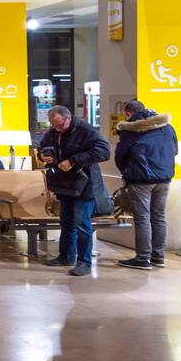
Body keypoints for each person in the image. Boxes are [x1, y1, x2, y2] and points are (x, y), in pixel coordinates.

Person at [39, 105, 112, 276]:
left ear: (68, 118)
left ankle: (84, 262)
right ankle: (66, 256)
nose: (57, 129)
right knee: (66, 223)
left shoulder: (86, 131)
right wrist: (43, 155)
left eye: (59, 125)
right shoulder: (54, 132)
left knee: (82, 224)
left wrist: (73, 161)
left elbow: (104, 151)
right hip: (64, 184)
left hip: (85, 185)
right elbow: (42, 145)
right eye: (53, 126)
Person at [113, 99, 177, 270]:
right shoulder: (168, 127)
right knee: (159, 217)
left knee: (142, 219)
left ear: (128, 113)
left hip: (140, 180)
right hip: (164, 179)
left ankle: (142, 258)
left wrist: (126, 171)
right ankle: (158, 256)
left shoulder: (130, 130)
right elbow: (175, 150)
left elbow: (120, 156)